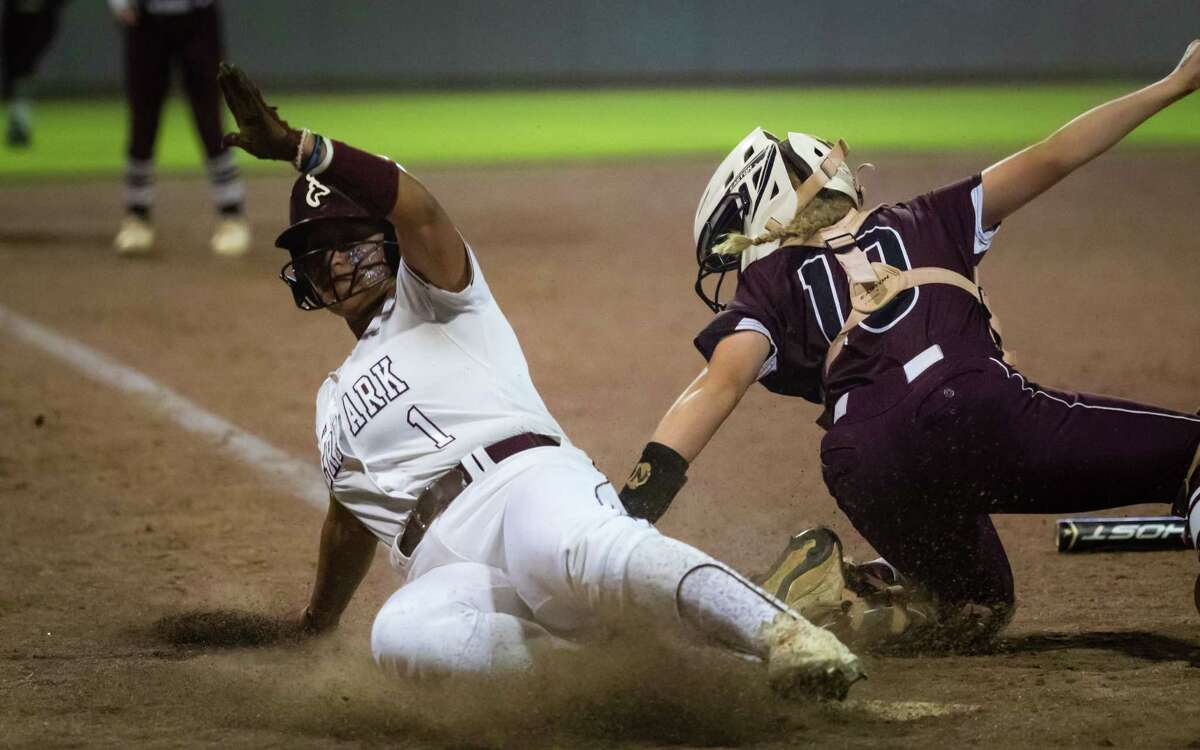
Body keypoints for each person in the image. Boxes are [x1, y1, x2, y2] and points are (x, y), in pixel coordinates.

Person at [215, 62, 864, 699]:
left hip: (524, 487)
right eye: (314, 251)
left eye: (348, 238)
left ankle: (787, 637)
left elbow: (422, 212)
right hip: (440, 560)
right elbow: (348, 519)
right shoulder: (331, 400)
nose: (330, 262)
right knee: (402, 636)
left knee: (604, 555)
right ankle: (607, 687)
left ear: (386, 241)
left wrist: (304, 149)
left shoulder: (437, 294)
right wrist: (315, 623)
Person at [618, 41, 1200, 649]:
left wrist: (632, 510)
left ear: (764, 210)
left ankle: (832, 596)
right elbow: (1057, 154)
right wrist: (1176, 84)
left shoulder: (768, 283)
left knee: (977, 604)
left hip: (864, 463)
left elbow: (717, 385)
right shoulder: (929, 217)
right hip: (975, 408)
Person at [108, 0, 248, 257]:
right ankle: (137, 217)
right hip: (146, 18)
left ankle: (232, 216)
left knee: (210, 121)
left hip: (197, 17)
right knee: (143, 121)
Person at [1, 0, 67, 147]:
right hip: (16, 16)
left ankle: (20, 122)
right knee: (15, 68)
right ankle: (18, 121)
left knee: (25, 66)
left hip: (42, 16)